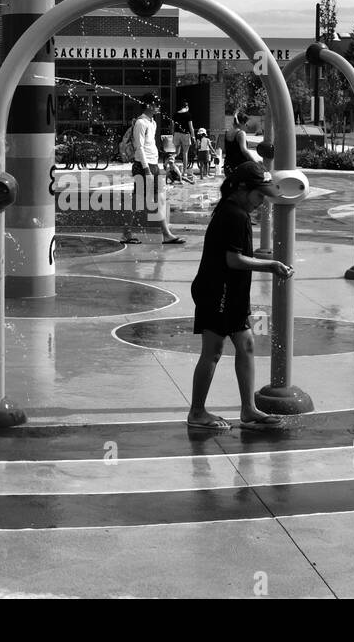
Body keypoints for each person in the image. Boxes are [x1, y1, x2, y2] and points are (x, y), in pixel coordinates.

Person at [186, 161, 293, 432]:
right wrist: (271, 265)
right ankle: (197, 412)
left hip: (229, 292)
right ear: (242, 189)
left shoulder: (234, 209)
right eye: (259, 196)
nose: (262, 203)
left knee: (245, 346)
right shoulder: (234, 214)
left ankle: (248, 409)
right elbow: (232, 260)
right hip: (217, 291)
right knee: (213, 351)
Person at [122, 94, 184, 245]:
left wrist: (162, 162)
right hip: (144, 166)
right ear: (149, 105)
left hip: (152, 165)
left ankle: (165, 234)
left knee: (159, 199)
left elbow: (151, 146)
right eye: (156, 104)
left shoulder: (152, 123)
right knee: (139, 201)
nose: (158, 107)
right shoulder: (140, 123)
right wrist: (147, 169)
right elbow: (139, 147)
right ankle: (127, 233)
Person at [222, 106, 261, 177]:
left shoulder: (227, 132)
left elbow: (225, 150)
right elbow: (244, 151)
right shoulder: (241, 133)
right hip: (239, 167)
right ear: (242, 123)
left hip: (228, 167)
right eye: (246, 124)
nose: (246, 126)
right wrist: (255, 162)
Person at [174, 103, 195, 176]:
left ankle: (170, 166)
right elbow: (191, 127)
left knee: (176, 153)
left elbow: (172, 125)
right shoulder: (188, 114)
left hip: (176, 134)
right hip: (185, 135)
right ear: (186, 107)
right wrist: (193, 137)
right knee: (185, 153)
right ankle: (184, 172)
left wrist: (172, 134)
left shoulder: (176, 114)